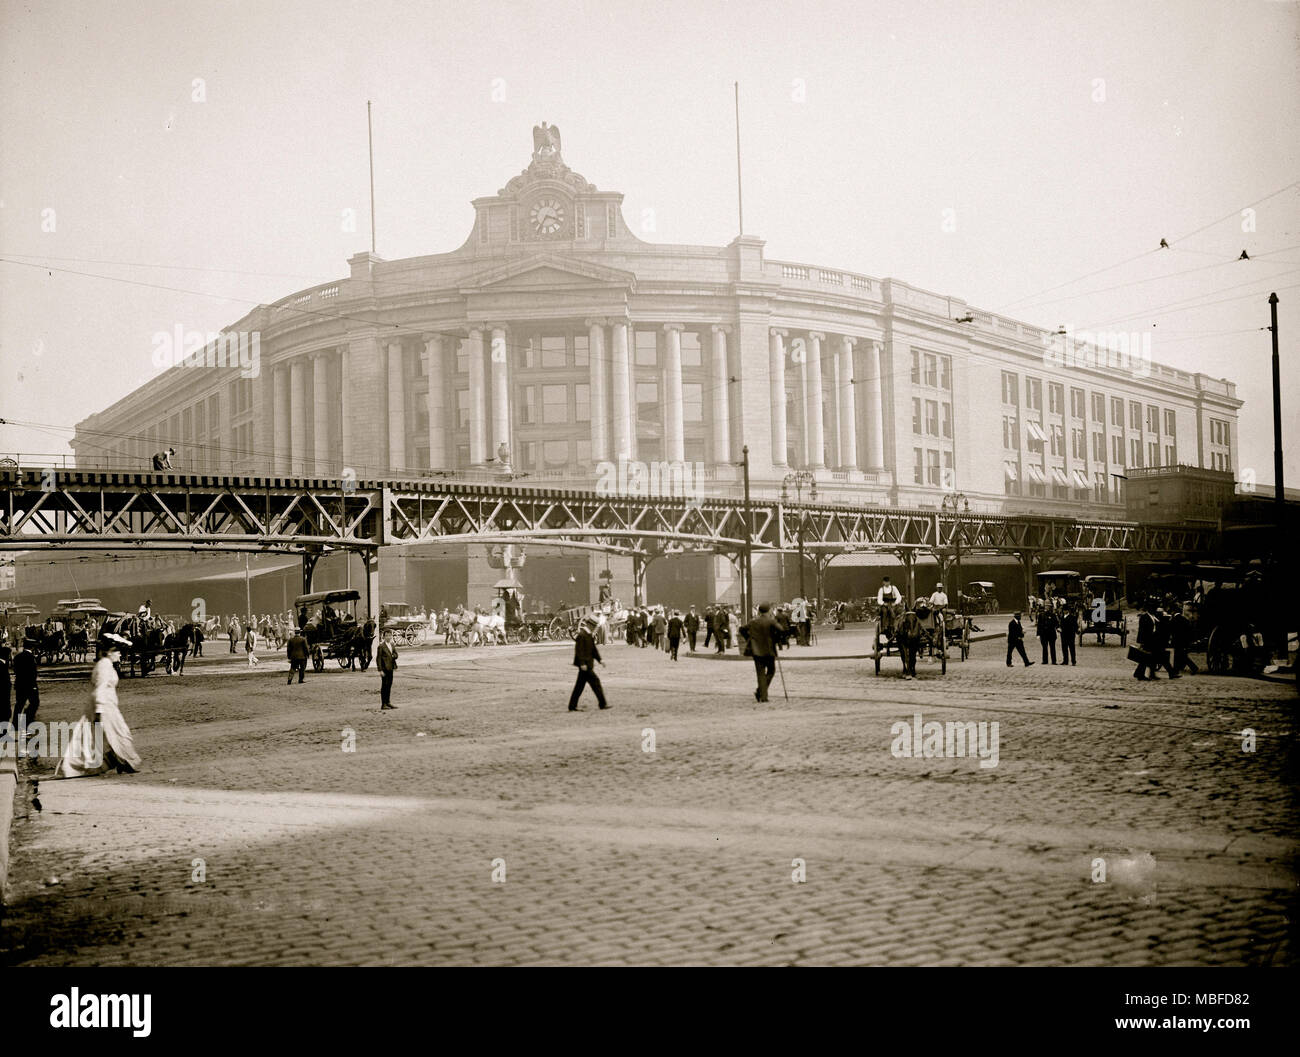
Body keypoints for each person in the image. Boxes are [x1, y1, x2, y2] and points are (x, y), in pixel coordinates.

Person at [55, 636, 142, 777]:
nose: (120, 654)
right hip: (104, 707)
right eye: (118, 652)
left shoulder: (106, 664)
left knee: (114, 734)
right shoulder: (104, 665)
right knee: (117, 734)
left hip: (109, 705)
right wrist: (99, 710)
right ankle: (123, 761)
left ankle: (122, 761)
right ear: (110, 652)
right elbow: (99, 689)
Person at [568, 618, 608, 711]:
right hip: (585, 665)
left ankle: (572, 706)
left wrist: (600, 660)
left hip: (586, 664)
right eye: (594, 626)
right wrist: (582, 663)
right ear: (590, 625)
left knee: (579, 687)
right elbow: (579, 651)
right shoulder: (582, 635)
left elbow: (593, 649)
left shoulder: (587, 634)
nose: (595, 628)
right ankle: (602, 704)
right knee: (596, 683)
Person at [742, 603, 779, 701]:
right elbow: (781, 630)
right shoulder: (771, 621)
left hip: (757, 650)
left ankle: (762, 694)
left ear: (759, 611)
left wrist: (749, 639)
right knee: (771, 670)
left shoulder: (753, 622)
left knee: (760, 674)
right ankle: (761, 692)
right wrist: (775, 639)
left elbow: (742, 629)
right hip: (769, 650)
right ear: (768, 611)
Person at [11, 639, 39, 726]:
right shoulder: (31, 657)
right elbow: (33, 673)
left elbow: (15, 670)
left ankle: (15, 723)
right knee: (35, 702)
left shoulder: (17, 657)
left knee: (19, 704)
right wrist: (34, 685)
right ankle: (28, 720)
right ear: (32, 647)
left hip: (19, 684)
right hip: (30, 685)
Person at [1170, 606, 1199, 676]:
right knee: (1181, 656)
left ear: (1173, 612)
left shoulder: (1174, 619)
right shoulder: (1184, 619)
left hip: (1177, 640)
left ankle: (1193, 668)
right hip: (1183, 641)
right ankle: (1176, 670)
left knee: (1179, 656)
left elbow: (1171, 630)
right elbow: (1189, 631)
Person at [896, 608, 923, 679]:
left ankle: (913, 669)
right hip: (903, 638)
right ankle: (905, 669)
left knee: (913, 654)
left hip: (914, 638)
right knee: (904, 655)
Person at [1133, 603, 1157, 681]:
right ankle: (1140, 674)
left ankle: (1138, 673)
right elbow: (1142, 630)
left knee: (1145, 657)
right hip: (1146, 640)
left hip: (1151, 639)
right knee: (1144, 657)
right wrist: (1141, 641)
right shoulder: (1144, 617)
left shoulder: (1152, 617)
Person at [376, 628, 398, 709]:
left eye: (390, 635)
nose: (388, 637)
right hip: (384, 669)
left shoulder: (392, 645)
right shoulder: (381, 646)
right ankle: (383, 704)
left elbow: (396, 654)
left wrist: (394, 656)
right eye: (386, 636)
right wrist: (380, 670)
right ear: (383, 637)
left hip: (391, 668)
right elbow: (378, 659)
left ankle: (388, 702)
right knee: (384, 686)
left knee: (389, 685)